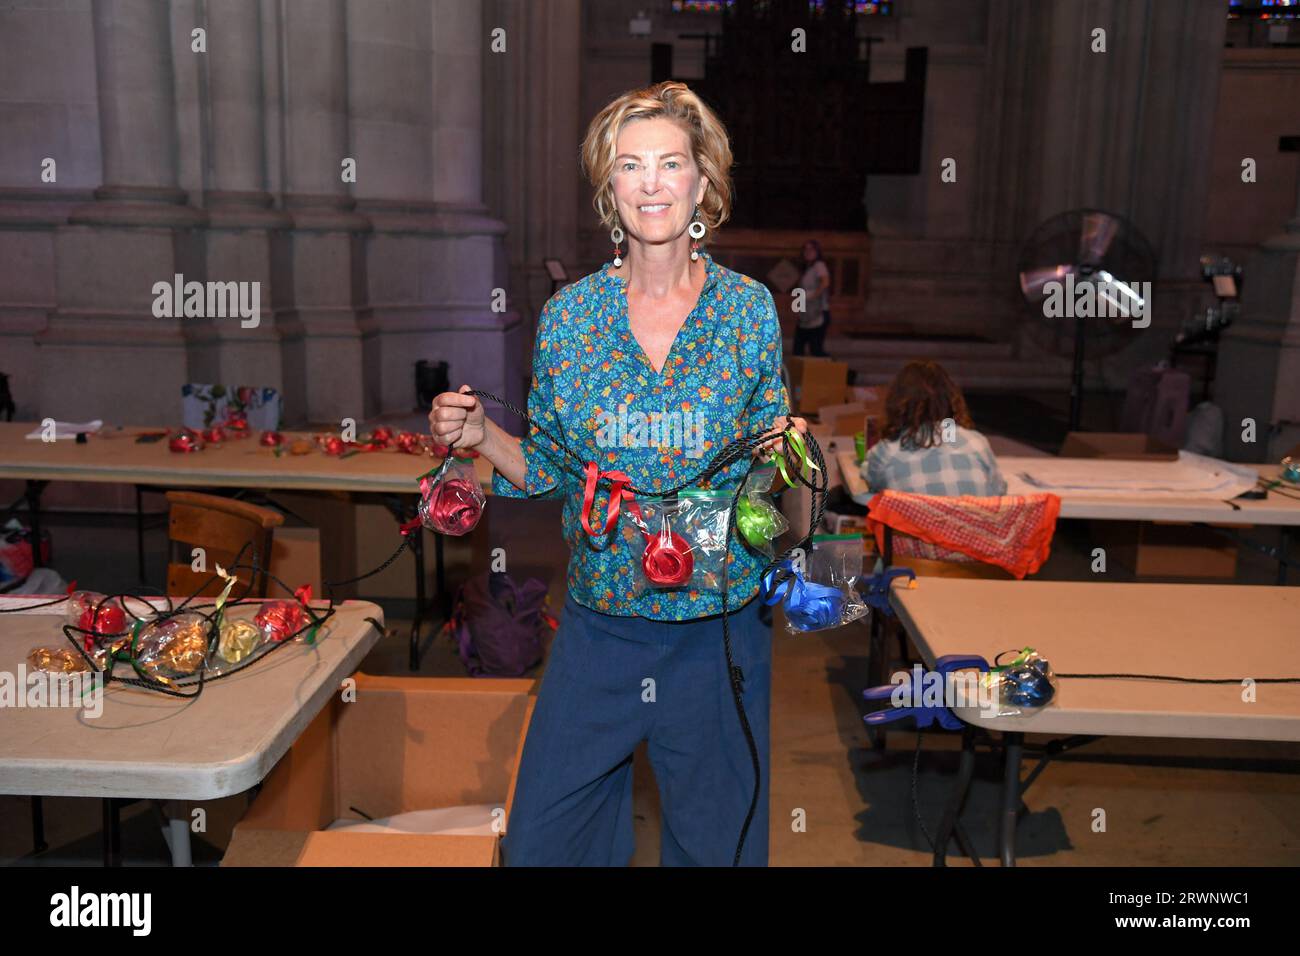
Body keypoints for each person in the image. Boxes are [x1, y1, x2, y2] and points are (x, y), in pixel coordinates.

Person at [428, 80, 807, 867]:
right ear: (610, 188)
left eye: (670, 164)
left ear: (702, 182)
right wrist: (481, 435)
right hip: (602, 627)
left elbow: (769, 482)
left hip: (719, 631)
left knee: (720, 849)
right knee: (543, 842)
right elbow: (551, 468)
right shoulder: (572, 318)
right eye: (631, 166)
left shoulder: (748, 311)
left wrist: (785, 455)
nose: (652, 184)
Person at [863, 360, 1007, 496]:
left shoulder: (886, 453)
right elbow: (998, 490)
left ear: (897, 404)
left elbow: (871, 483)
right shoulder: (976, 443)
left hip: (915, 522)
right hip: (969, 522)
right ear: (951, 399)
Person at [792, 239, 831, 356]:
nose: (808, 252)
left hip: (818, 313)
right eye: (806, 249)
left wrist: (813, 296)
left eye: (811, 249)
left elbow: (825, 282)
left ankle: (843, 372)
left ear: (817, 252)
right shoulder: (806, 269)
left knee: (816, 349)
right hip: (806, 315)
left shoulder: (819, 265)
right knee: (798, 347)